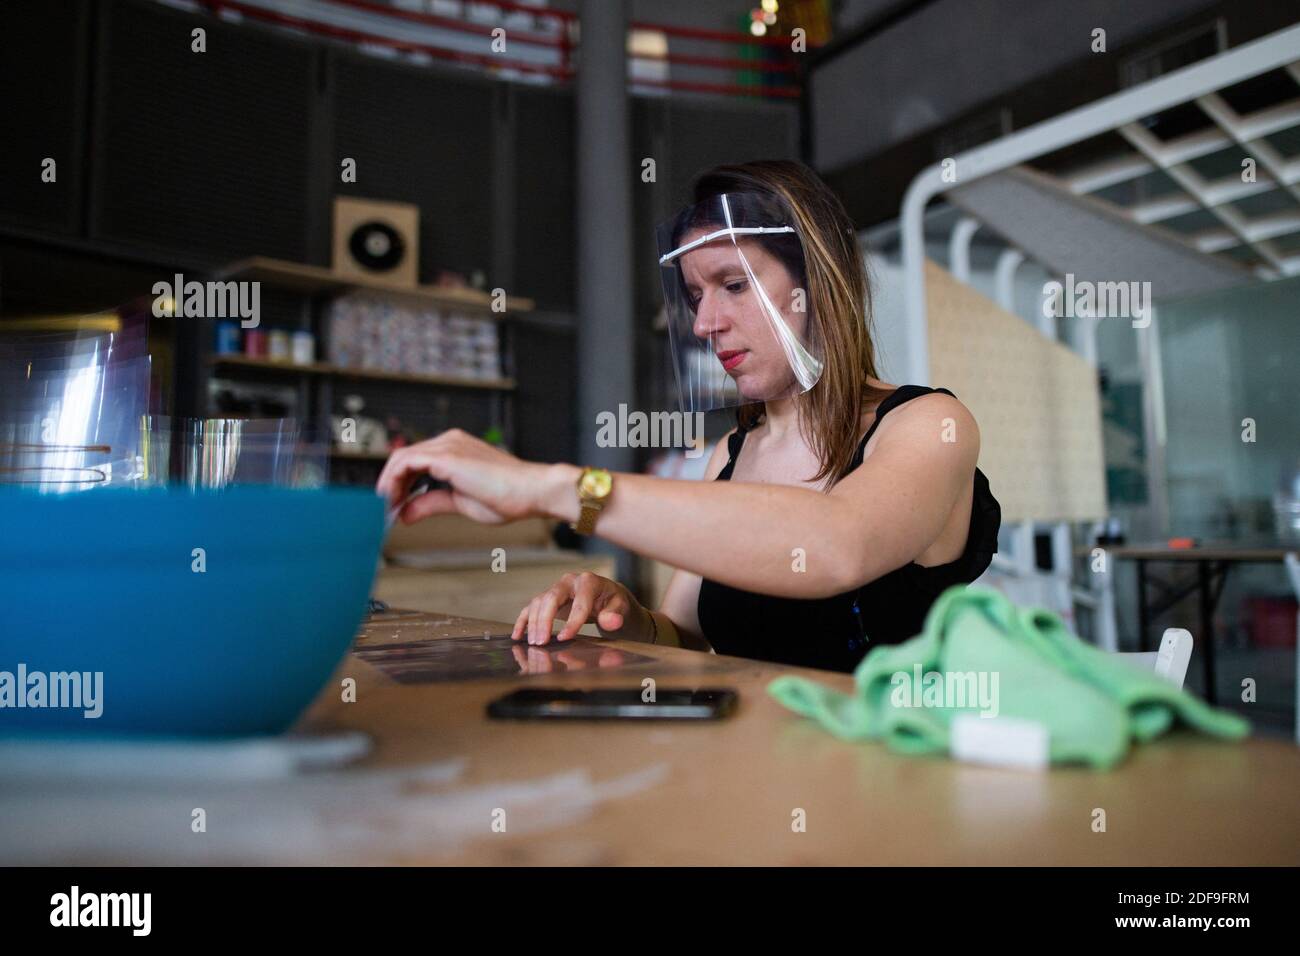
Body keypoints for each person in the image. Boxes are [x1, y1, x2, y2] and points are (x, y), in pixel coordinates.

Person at [377, 160, 1000, 673]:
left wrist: (548, 490)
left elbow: (836, 545)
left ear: (818, 284)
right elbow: (683, 636)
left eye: (733, 285)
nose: (705, 324)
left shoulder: (929, 425)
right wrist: (621, 609)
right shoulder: (730, 453)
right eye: (696, 296)